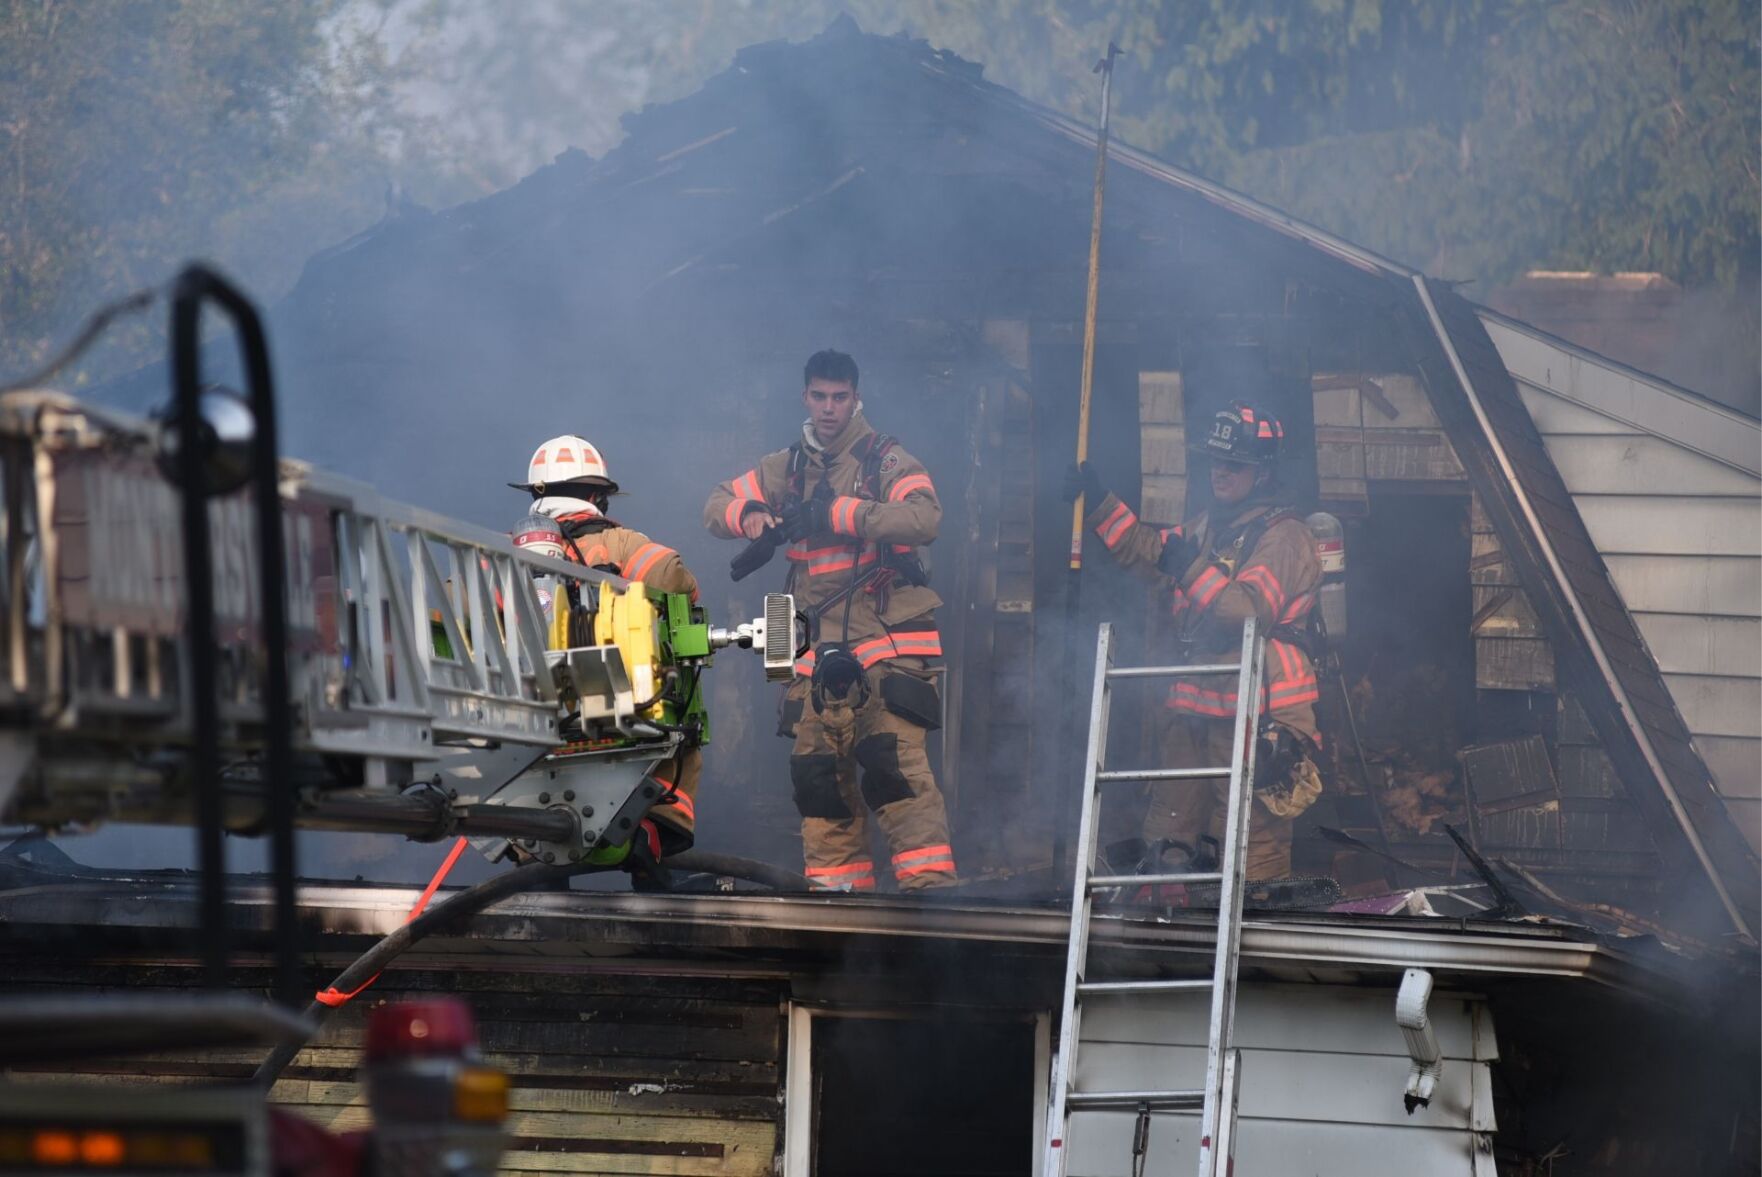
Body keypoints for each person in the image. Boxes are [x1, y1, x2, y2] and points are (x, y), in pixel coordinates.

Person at [704, 349, 956, 891]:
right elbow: (715, 505)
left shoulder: (884, 461)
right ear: (805, 397)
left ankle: (931, 902)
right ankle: (839, 907)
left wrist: (837, 512)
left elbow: (924, 518)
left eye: (839, 397)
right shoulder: (786, 468)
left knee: (895, 775)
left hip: (886, 647)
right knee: (819, 785)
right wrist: (752, 515)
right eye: (819, 396)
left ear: (855, 399)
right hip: (814, 656)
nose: (828, 408)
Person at [1065, 401, 1324, 879]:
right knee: (1172, 829)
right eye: (1215, 461)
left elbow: (1247, 611)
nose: (1220, 472)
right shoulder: (1211, 528)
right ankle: (1171, 918)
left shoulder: (1286, 537)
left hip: (1257, 709)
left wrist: (1188, 568)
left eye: (1234, 464)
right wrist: (1100, 503)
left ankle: (1253, 921)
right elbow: (1150, 553)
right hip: (1199, 703)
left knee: (1244, 839)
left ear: (1264, 473)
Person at [513, 433, 700, 862]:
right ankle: (654, 831)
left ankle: (526, 852)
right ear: (598, 496)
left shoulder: (498, 552)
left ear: (536, 494)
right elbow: (677, 583)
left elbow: (447, 614)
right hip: (616, 712)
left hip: (523, 721)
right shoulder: (625, 545)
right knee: (683, 731)